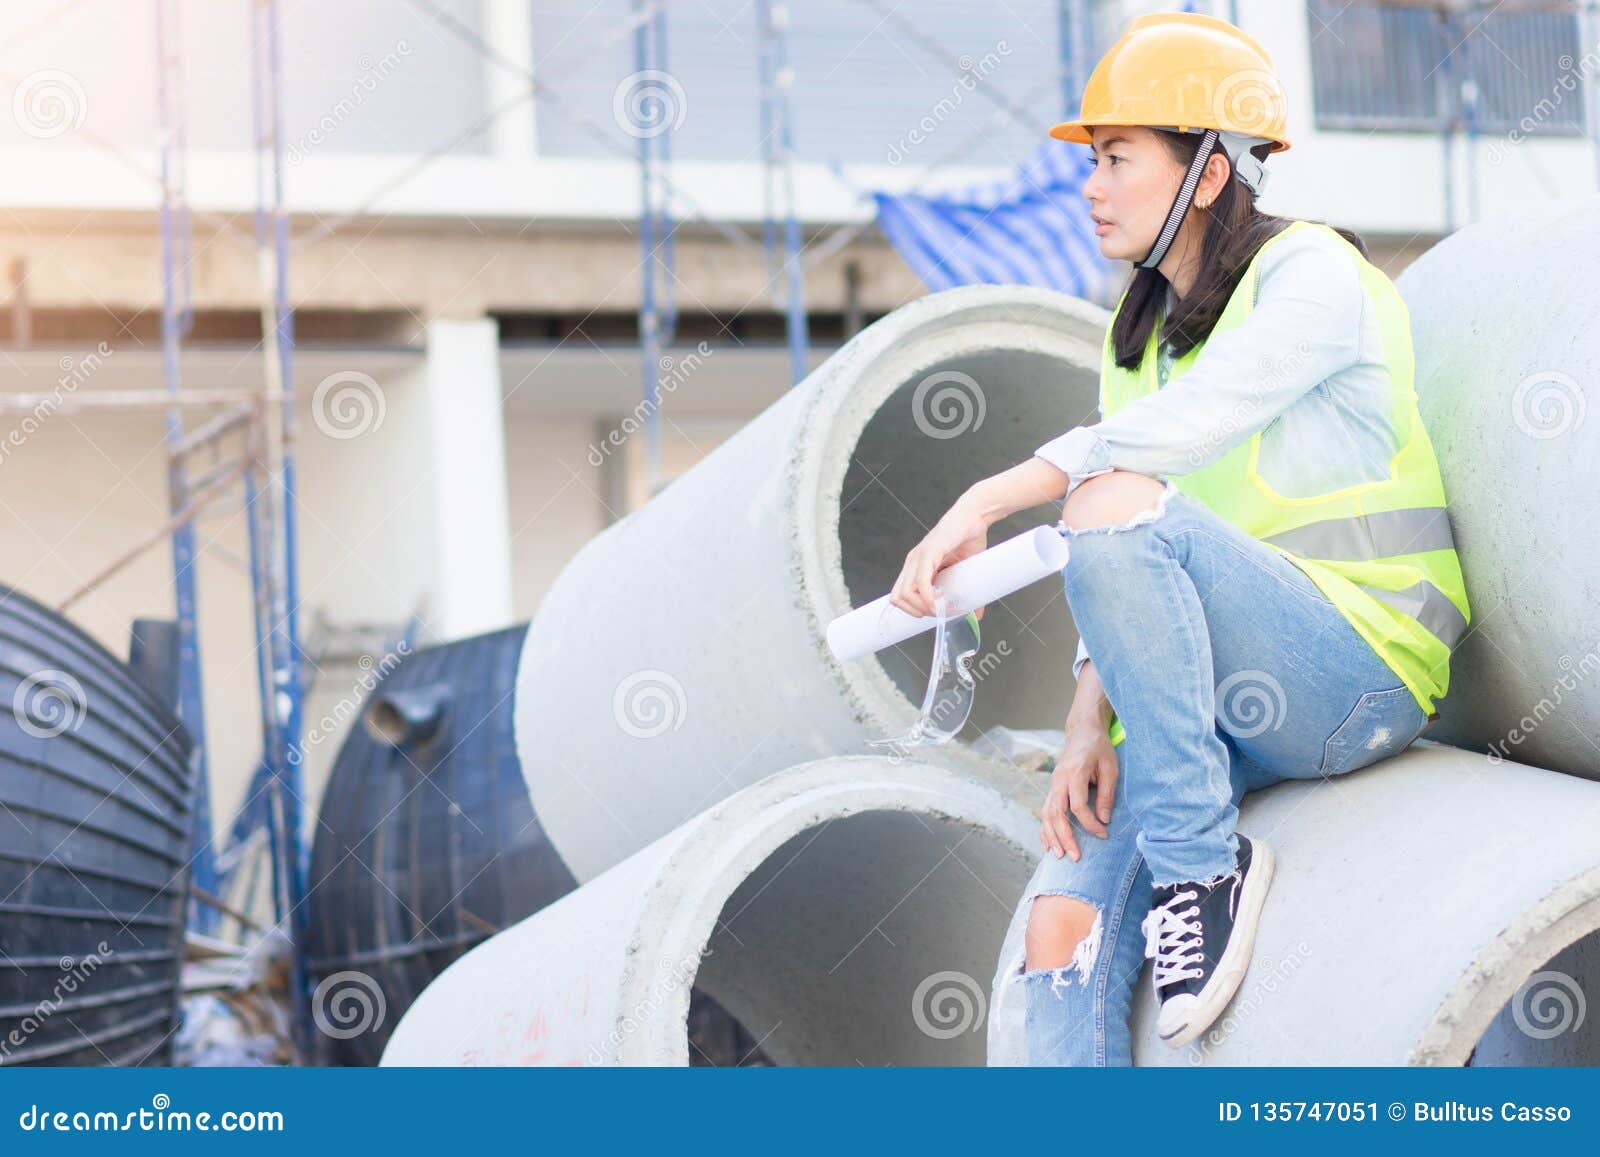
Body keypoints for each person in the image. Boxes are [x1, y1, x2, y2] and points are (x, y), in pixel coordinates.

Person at [886, 11, 1469, 1061]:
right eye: (1093, 160)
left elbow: (1155, 455)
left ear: (1206, 173)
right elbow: (1130, 564)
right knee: (1056, 937)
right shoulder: (1141, 334)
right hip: (1214, 703)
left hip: (1358, 666)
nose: (1091, 185)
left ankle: (1204, 870)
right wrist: (1081, 730)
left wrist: (988, 494)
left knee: (1104, 495)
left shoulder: (1312, 277)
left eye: (1116, 158)